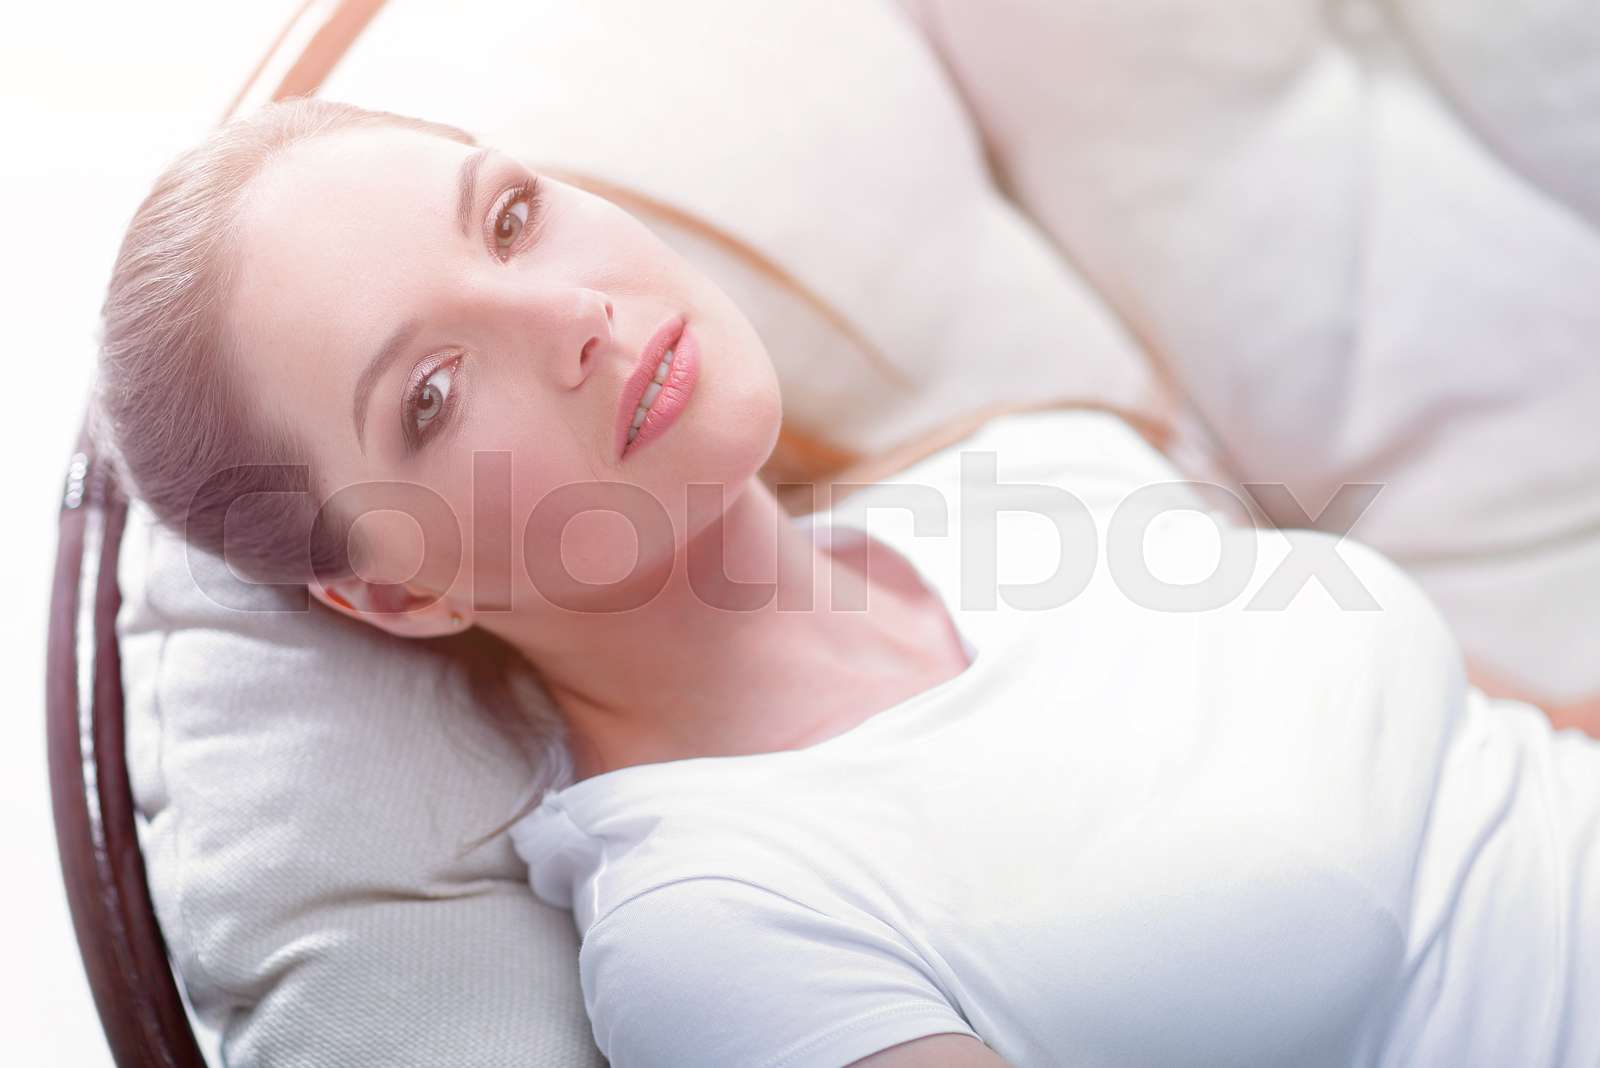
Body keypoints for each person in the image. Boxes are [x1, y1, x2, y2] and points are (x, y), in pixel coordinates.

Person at [97, 98, 1600, 1067]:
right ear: (402, 593)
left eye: (510, 214)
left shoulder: (1033, 466)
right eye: (428, 394)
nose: (565, 311)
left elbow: (1501, 762)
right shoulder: (725, 930)